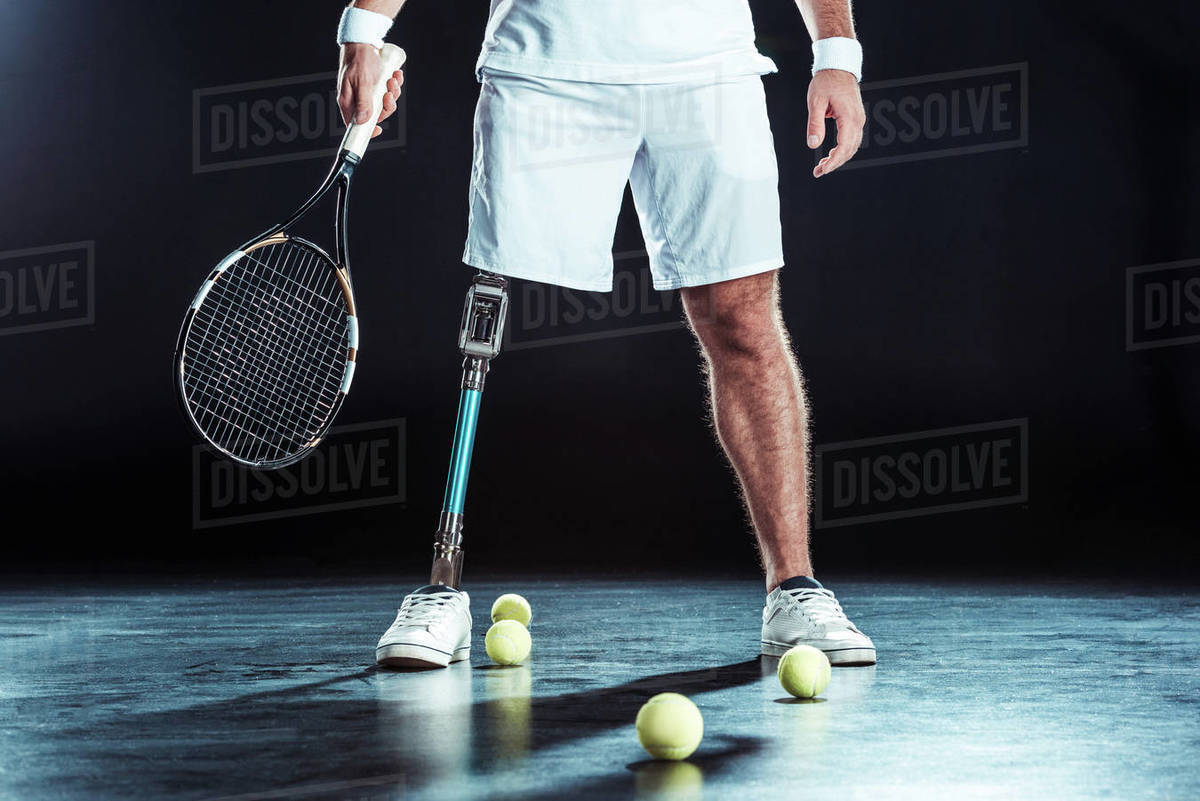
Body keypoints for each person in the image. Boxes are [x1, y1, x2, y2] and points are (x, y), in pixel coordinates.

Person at [335, 0, 875, 669]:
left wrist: (836, 54)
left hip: (707, 70)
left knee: (743, 316)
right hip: (546, 62)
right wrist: (364, 30)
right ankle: (441, 590)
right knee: (489, 310)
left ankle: (796, 587)